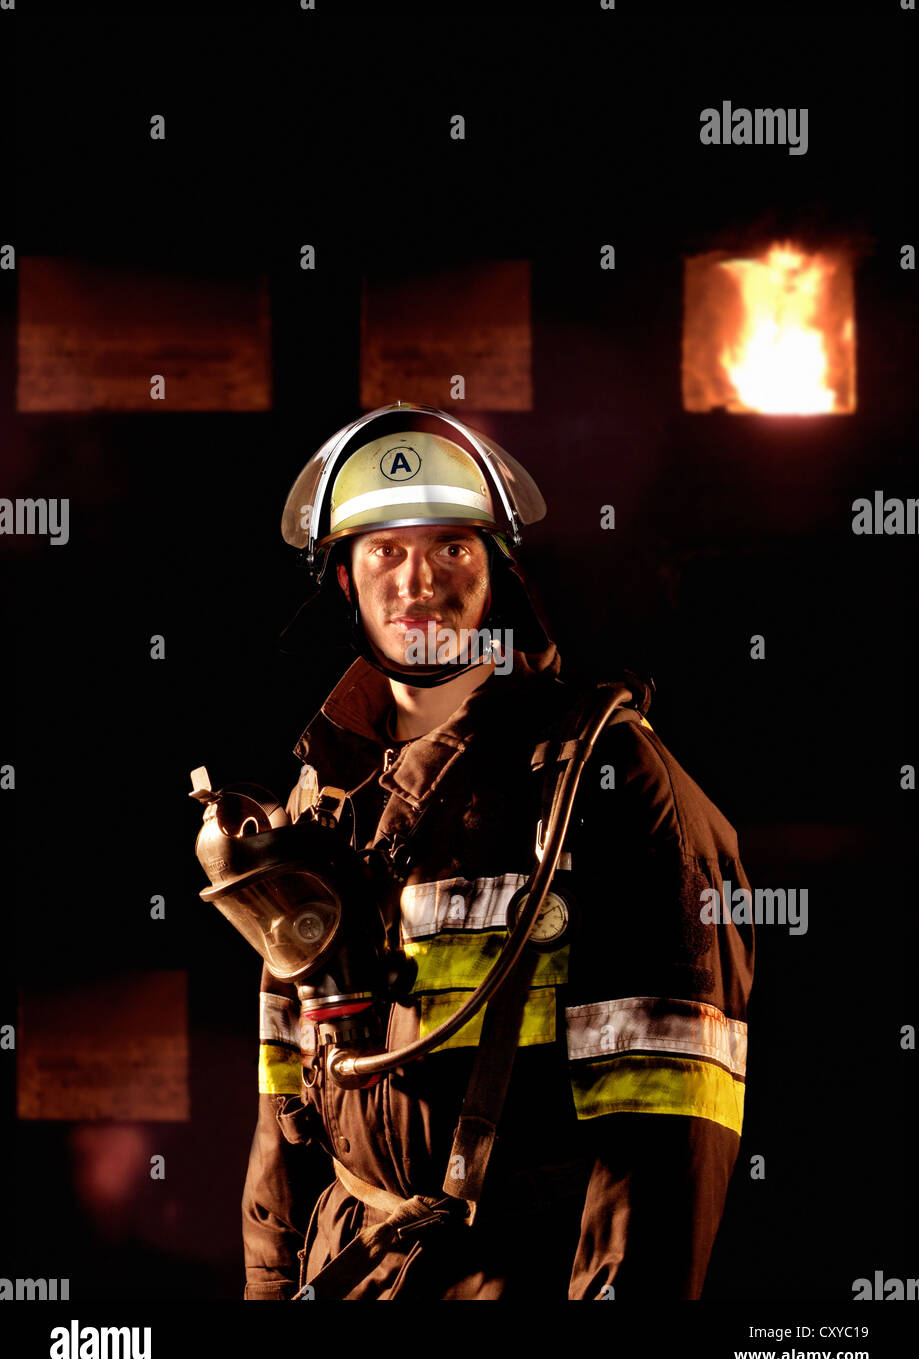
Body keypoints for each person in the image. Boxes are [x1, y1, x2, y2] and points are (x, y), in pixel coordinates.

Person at [241, 401, 754, 1300]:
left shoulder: (606, 780)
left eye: (451, 547)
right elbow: (285, 1089)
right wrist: (266, 1286)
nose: (417, 581)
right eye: (384, 551)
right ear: (345, 583)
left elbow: (664, 1128)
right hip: (349, 1270)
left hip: (518, 1272)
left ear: (498, 573)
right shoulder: (319, 800)